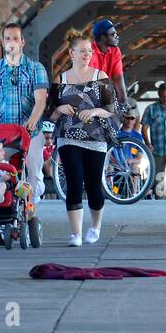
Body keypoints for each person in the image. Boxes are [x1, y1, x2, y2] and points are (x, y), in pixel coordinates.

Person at [48, 27, 120, 246]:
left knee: (93, 185)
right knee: (74, 181)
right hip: (68, 136)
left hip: (95, 139)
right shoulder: (60, 80)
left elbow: (111, 108)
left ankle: (95, 226)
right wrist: (60, 110)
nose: (87, 54)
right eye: (82, 51)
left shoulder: (101, 77)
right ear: (71, 54)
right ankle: (76, 233)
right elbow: (50, 113)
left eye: (89, 51)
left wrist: (95, 111)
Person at [0, 22, 49, 198]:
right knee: (0, 174)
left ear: (22, 41)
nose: (12, 42)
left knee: (33, 177)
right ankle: (3, 214)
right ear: (3, 42)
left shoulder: (35, 69)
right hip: (3, 135)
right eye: (8, 38)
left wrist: (31, 120)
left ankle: (30, 215)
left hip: (30, 132)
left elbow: (40, 101)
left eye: (15, 38)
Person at [89, 18, 128, 109]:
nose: (117, 36)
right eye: (113, 34)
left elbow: (117, 77)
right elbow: (91, 82)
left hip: (105, 94)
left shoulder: (115, 51)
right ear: (103, 37)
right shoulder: (89, 52)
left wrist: (123, 101)